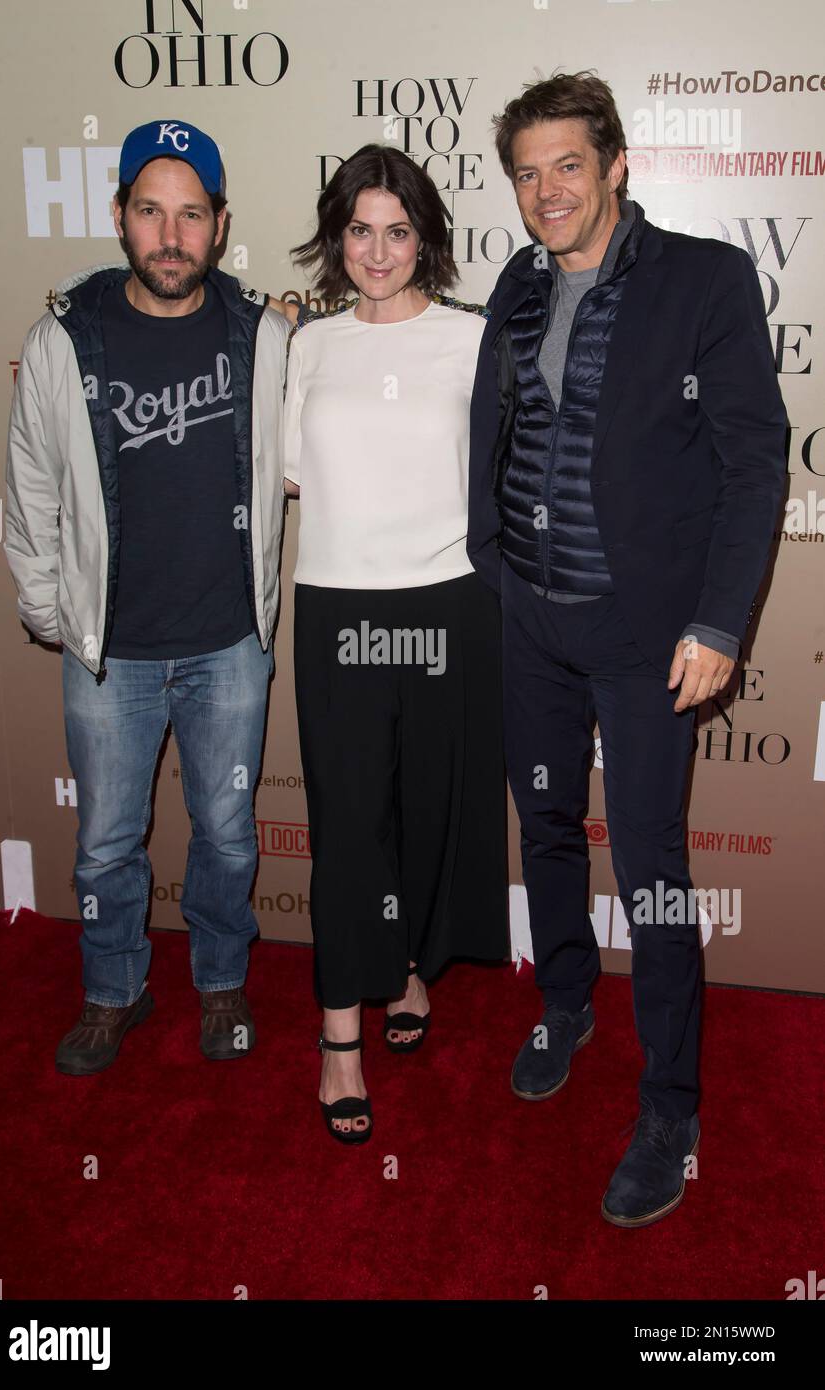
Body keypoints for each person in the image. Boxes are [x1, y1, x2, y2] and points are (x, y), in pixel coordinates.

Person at [467, 73, 787, 1224]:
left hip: (647, 639)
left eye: (566, 164)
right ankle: (563, 999)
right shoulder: (514, 281)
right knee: (545, 824)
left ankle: (669, 1102)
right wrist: (493, 561)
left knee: (649, 868)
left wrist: (715, 623)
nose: (545, 191)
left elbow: (756, 459)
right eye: (524, 172)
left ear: (614, 164)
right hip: (533, 621)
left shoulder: (701, 280)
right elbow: (497, 427)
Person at [4, 120, 290, 1074]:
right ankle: (112, 989)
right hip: (109, 652)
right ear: (120, 217)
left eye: (192, 215)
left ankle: (220, 982)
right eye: (150, 212)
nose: (172, 236)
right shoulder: (62, 340)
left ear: (220, 224)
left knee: (228, 835)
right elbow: (31, 484)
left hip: (228, 645)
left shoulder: (266, 337)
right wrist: (54, 615)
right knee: (105, 845)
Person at [284, 144, 508, 1144]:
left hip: (445, 606)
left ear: (426, 237)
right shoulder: (307, 345)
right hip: (337, 605)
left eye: (398, 230)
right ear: (338, 237)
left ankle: (410, 963)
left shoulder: (471, 338)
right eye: (360, 229)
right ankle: (340, 1034)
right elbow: (291, 473)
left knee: (429, 811)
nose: (378, 251)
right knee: (347, 823)